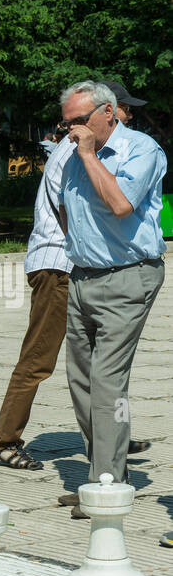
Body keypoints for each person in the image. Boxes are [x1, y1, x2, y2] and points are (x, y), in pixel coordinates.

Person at [0, 81, 152, 473]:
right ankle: (6, 440)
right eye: (126, 108)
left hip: (74, 266)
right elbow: (72, 211)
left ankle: (109, 440)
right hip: (59, 266)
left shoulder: (114, 147)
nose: (130, 116)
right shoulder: (74, 150)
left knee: (99, 368)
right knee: (40, 357)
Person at [57, 81, 166, 510]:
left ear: (108, 112)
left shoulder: (142, 150)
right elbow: (65, 209)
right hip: (83, 277)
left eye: (80, 121)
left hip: (128, 277)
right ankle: (100, 469)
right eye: (67, 123)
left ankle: (108, 481)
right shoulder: (71, 155)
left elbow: (121, 205)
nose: (72, 131)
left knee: (107, 383)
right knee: (80, 380)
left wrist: (87, 154)